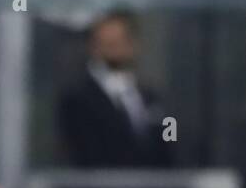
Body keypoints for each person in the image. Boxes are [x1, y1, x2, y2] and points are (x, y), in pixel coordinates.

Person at [57, 10, 171, 169]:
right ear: (93, 47)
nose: (114, 49)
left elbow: (167, 146)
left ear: (134, 44)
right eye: (107, 43)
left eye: (120, 41)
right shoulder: (76, 100)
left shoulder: (151, 97)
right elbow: (84, 154)